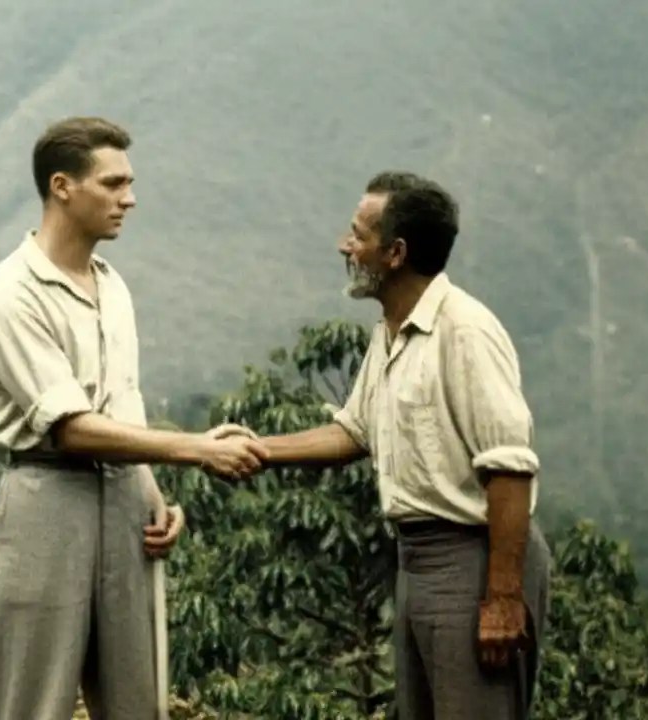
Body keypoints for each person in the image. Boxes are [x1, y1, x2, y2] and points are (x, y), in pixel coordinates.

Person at [0, 116, 268, 720]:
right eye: (113, 183)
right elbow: (69, 427)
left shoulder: (112, 286)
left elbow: (124, 399)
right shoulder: (9, 295)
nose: (130, 198)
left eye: (129, 182)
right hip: (48, 496)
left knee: (137, 698)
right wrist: (198, 449)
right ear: (62, 187)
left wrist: (154, 497)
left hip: (125, 498)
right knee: (31, 698)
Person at [235, 172, 550, 719]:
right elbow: (354, 431)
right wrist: (257, 450)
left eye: (357, 235)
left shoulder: (464, 331)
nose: (345, 246)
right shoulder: (391, 332)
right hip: (417, 562)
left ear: (395, 252)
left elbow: (510, 468)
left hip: (469, 559)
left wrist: (501, 598)